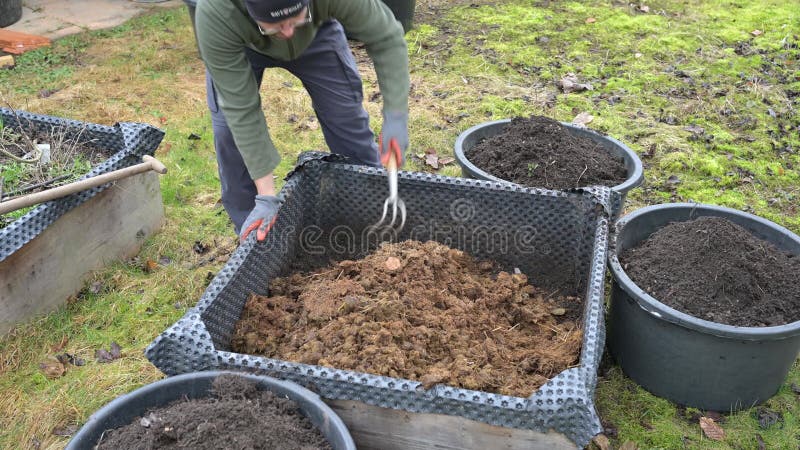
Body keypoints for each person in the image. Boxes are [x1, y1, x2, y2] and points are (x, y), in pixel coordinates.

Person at [194, 0, 410, 243]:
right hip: (242, 44)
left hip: (316, 34)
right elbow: (241, 110)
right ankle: (255, 234)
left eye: (294, 18)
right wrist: (266, 195)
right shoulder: (216, 12)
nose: (286, 32)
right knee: (228, 135)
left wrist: (396, 116)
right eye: (276, 25)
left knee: (346, 118)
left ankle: (369, 212)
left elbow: (386, 36)